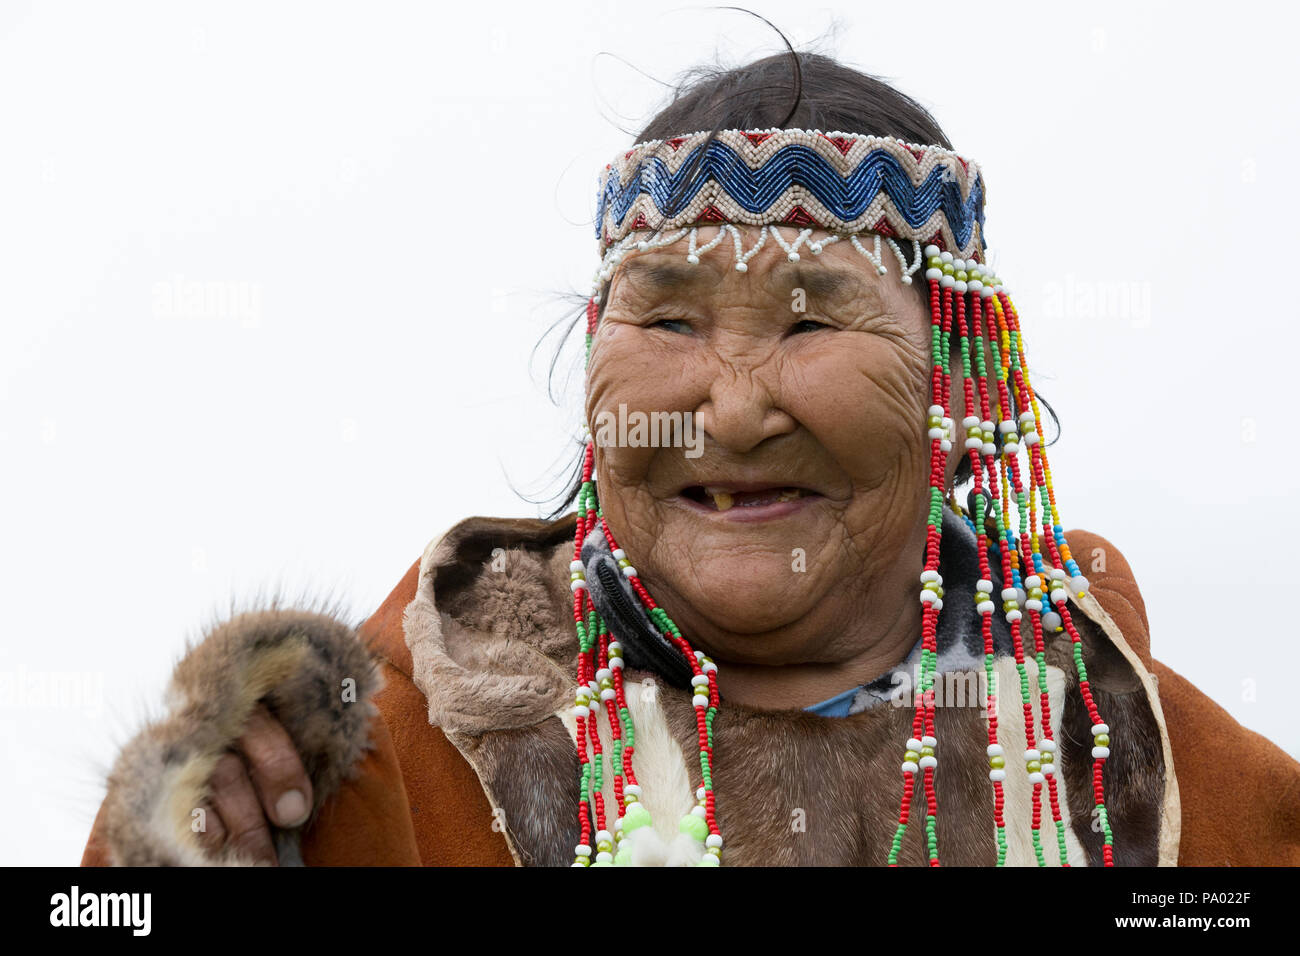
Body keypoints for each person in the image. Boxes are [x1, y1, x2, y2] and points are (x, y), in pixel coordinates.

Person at [81, 50, 1300, 867]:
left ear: (958, 389)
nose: (726, 408)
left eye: (815, 316)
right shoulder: (386, 760)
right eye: (664, 318)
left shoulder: (1171, 788)